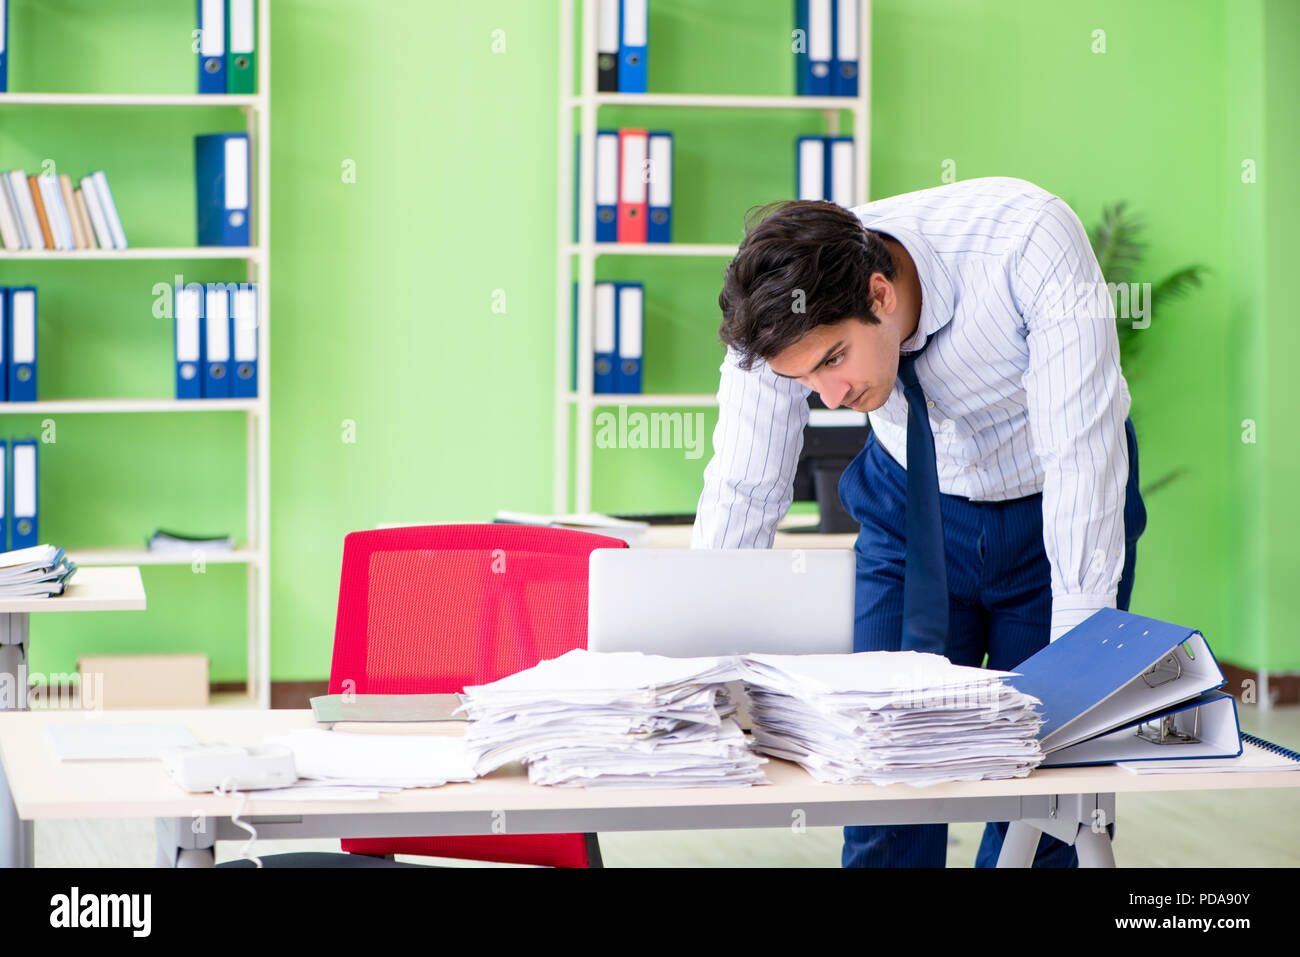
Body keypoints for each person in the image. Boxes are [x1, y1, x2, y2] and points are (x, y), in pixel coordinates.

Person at [690, 176, 1147, 867]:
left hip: (1052, 512)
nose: (832, 396)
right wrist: (695, 676)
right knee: (882, 779)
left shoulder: (1027, 244)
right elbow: (744, 485)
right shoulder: (777, 314)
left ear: (881, 294)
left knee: (1045, 795)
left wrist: (1079, 672)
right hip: (910, 512)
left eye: (834, 359)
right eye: (805, 380)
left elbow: (1082, 456)